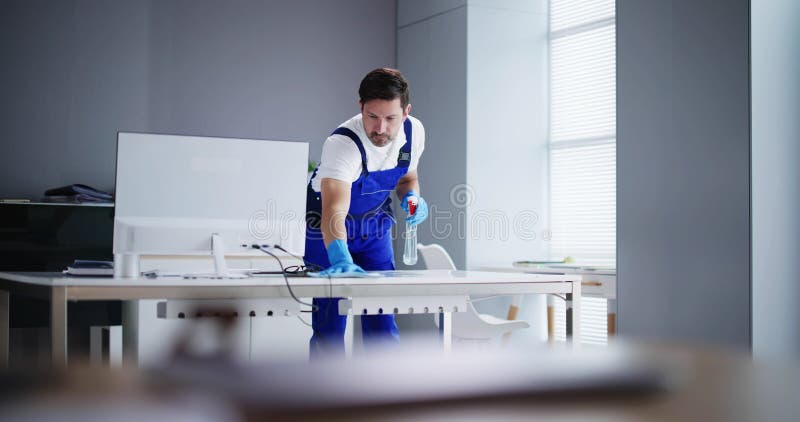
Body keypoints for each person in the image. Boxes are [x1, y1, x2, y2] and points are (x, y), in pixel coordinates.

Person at [304, 68, 429, 358]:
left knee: (382, 318)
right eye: (372, 117)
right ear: (360, 107)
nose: (380, 128)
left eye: (390, 118)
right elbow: (334, 209)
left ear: (406, 112)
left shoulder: (414, 132)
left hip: (374, 229)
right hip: (326, 230)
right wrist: (339, 254)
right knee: (330, 324)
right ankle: (327, 399)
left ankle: (383, 395)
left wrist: (411, 198)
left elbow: (407, 178)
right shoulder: (342, 144)